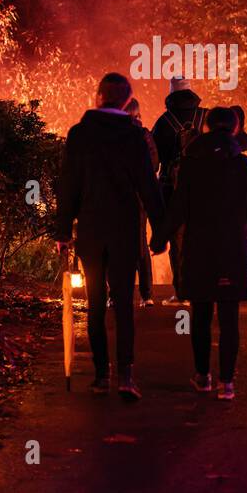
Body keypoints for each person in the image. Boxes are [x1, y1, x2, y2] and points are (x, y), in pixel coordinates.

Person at [54, 73, 165, 400]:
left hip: (90, 230)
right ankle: (126, 375)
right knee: (124, 304)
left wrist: (63, 231)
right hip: (124, 230)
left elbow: (68, 186)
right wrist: (160, 230)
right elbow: (149, 185)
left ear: (98, 95)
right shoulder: (133, 137)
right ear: (127, 100)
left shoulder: (79, 135)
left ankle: (101, 374)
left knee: (96, 303)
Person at [152, 106, 247, 401]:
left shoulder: (191, 165)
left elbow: (178, 208)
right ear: (235, 128)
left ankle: (203, 376)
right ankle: (228, 383)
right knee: (229, 318)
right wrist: (244, 237)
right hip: (233, 249)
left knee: (200, 315)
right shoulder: (244, 166)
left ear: (208, 127)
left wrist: (159, 238)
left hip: (200, 246)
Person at [150, 77, 206, 306]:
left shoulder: (163, 122)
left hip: (172, 192)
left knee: (178, 242)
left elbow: (154, 162)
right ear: (192, 92)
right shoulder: (207, 117)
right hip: (204, 190)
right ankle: (202, 288)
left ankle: (182, 293)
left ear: (170, 95)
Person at [125, 98, 158, 307]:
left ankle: (117, 294)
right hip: (140, 196)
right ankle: (147, 295)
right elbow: (154, 164)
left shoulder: (112, 135)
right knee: (140, 241)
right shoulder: (145, 135)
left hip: (117, 194)